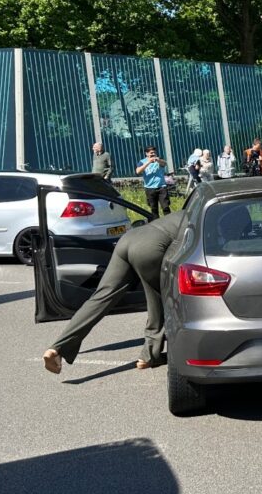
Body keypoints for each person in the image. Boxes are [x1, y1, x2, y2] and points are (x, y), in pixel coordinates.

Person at [41, 211, 186, 374]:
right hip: (152, 246)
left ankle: (57, 348)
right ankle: (149, 355)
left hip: (128, 239)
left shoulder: (188, 208)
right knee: (157, 299)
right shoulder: (204, 215)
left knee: (100, 298)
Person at [136, 145, 170, 218]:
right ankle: (156, 222)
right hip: (150, 188)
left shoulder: (159, 160)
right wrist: (148, 162)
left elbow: (164, 164)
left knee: (165, 207)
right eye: (151, 153)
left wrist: (158, 160)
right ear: (147, 153)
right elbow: (138, 171)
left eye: (154, 152)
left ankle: (169, 221)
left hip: (161, 187)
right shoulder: (142, 161)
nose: (153, 154)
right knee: (154, 208)